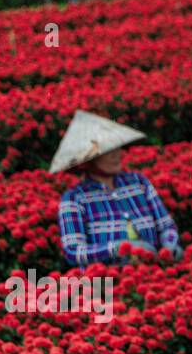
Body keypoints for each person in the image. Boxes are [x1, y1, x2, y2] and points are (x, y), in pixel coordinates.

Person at [51, 110, 183, 268]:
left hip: (153, 273)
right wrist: (117, 248)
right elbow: (73, 252)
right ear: (87, 160)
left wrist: (170, 246)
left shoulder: (138, 183)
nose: (116, 154)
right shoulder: (74, 199)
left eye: (116, 147)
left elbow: (166, 227)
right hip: (107, 284)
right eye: (107, 150)